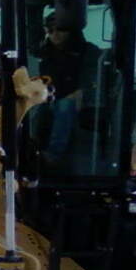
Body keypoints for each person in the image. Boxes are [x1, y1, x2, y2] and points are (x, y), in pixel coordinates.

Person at [36, 11, 101, 164]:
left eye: (60, 30)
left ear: (71, 30)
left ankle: (54, 154)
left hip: (81, 98)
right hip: (50, 96)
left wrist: (81, 91)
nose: (55, 35)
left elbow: (94, 77)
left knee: (65, 106)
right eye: (50, 31)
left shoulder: (88, 51)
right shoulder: (44, 52)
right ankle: (32, 150)